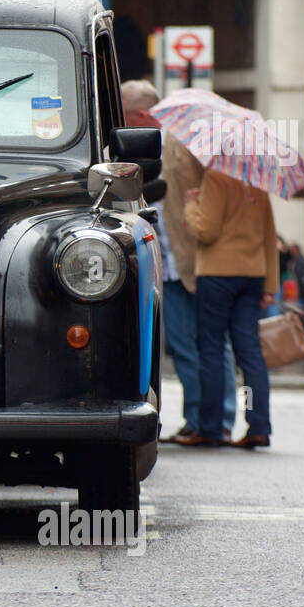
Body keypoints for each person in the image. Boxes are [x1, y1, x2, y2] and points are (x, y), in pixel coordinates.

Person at [119, 80, 236, 441]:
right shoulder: (139, 147)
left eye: (124, 115)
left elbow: (216, 189)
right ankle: (198, 419)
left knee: (211, 342)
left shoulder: (185, 140)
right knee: (184, 345)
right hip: (166, 261)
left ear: (140, 114)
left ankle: (220, 418)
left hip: (197, 257)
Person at [176, 169, 277, 449]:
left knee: (211, 350)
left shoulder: (216, 178)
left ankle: (211, 428)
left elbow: (206, 231)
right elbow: (270, 235)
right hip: (253, 274)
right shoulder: (259, 180)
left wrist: (191, 204)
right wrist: (270, 285)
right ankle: (259, 426)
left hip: (218, 273)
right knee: (250, 353)